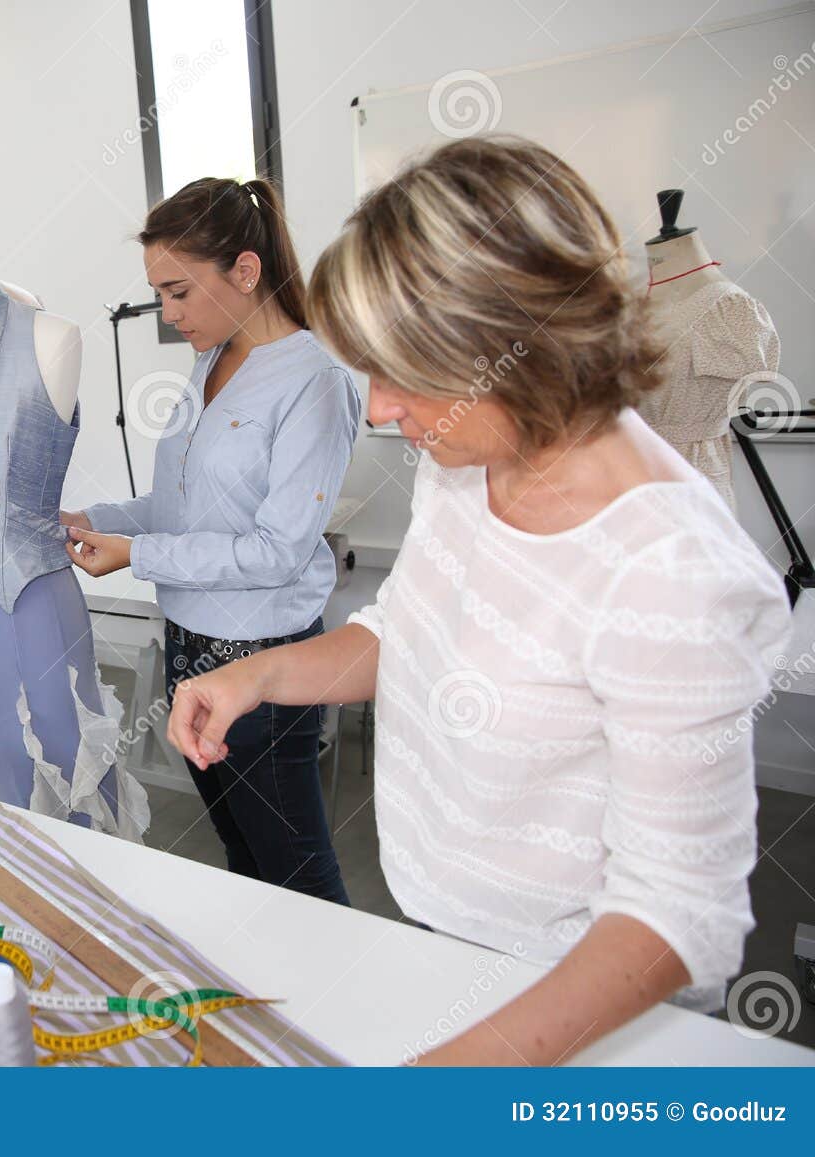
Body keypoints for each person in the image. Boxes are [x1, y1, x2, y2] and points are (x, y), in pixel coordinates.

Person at [165, 136, 791, 1064]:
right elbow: (408, 633)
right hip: (444, 941)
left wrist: (453, 1073)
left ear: (513, 346)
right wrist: (261, 675)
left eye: (400, 370)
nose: (378, 409)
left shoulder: (674, 573)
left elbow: (677, 918)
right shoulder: (466, 465)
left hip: (585, 1012)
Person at [65, 176, 361, 903]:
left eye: (178, 292)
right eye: (159, 294)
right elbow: (180, 502)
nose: (168, 314)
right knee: (242, 852)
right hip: (190, 649)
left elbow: (276, 551)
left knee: (296, 868)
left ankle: (340, 1004)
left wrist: (138, 555)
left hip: (264, 662)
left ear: (246, 271)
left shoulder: (314, 382)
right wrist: (98, 519)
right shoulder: (212, 360)